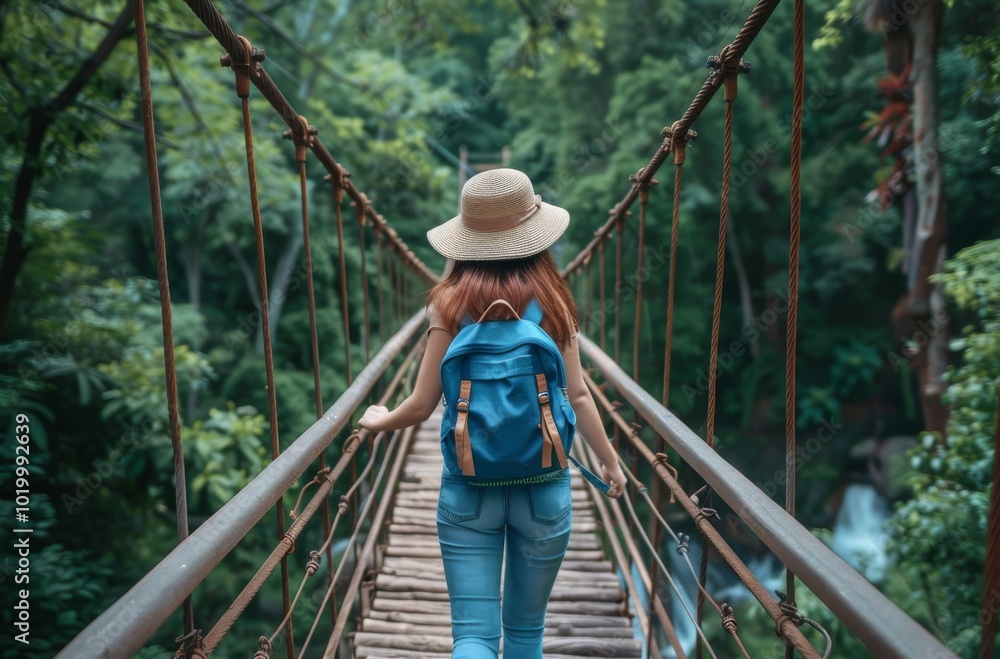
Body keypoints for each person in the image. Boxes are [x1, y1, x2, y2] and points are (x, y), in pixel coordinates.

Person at [358, 168, 628, 659]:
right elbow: (580, 396)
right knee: (525, 636)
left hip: (468, 485)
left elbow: (420, 405)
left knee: (475, 639)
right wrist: (610, 462)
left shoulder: (448, 302)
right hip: (544, 487)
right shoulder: (554, 302)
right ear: (537, 235)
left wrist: (379, 419)